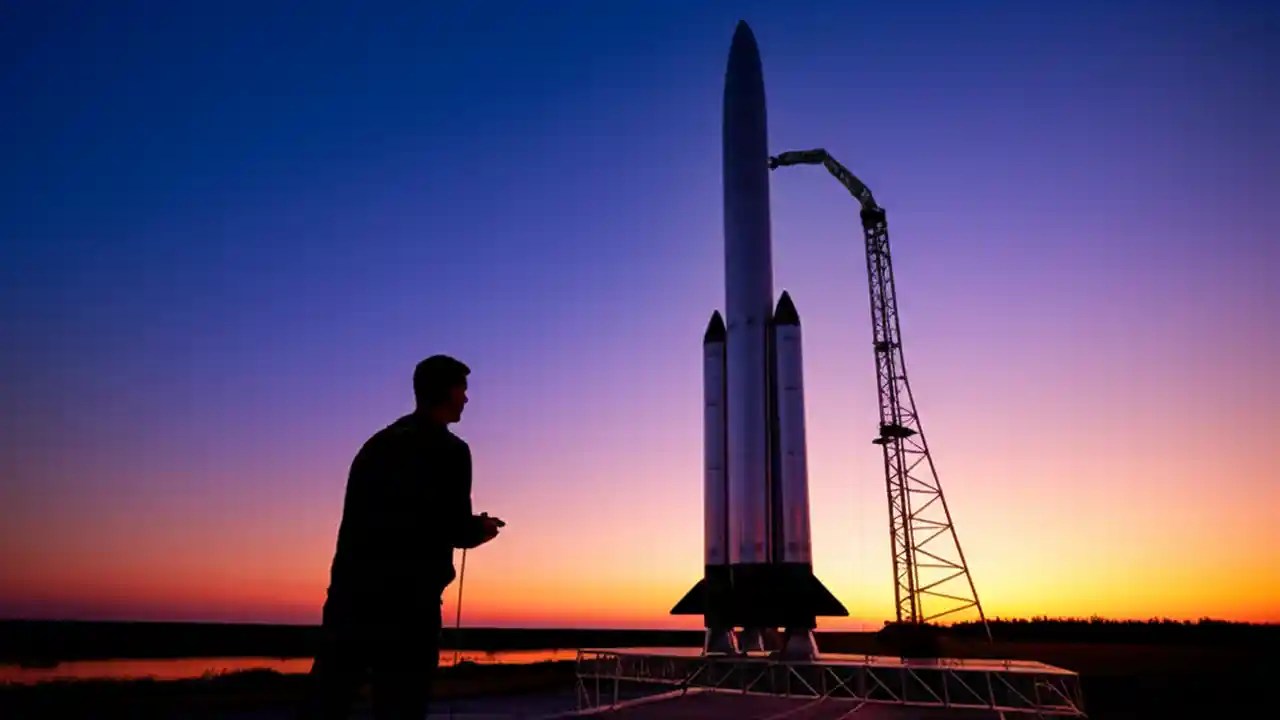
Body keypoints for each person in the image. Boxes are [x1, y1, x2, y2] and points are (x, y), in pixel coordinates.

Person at [299, 355, 504, 720]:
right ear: (446, 392)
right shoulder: (452, 451)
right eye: (462, 389)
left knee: (329, 703)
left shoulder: (377, 445)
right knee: (400, 707)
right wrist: (482, 529)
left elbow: (394, 517)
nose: (466, 398)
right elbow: (453, 527)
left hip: (349, 599)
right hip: (409, 609)